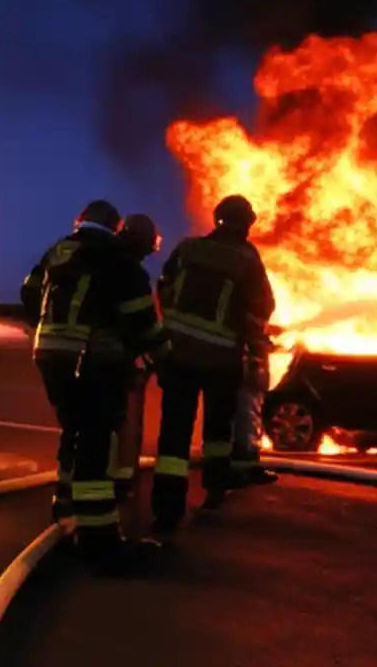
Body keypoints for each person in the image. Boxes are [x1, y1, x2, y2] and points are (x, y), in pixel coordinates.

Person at [20, 200, 171, 571]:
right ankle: (100, 539)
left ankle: (66, 506)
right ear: (116, 227)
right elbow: (142, 322)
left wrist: (49, 329)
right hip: (91, 359)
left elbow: (29, 292)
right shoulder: (117, 258)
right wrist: (165, 357)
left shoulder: (59, 249)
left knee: (74, 427)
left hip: (48, 353)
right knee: (95, 441)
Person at [151, 194, 275, 535]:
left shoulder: (188, 248)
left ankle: (166, 510)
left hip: (179, 355)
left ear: (217, 218)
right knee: (218, 431)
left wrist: (174, 329)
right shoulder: (247, 260)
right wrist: (254, 347)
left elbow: (164, 288)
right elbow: (261, 308)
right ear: (247, 225)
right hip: (221, 358)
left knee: (174, 434)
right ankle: (215, 489)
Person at [111, 213, 163, 502]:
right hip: (117, 360)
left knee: (87, 425)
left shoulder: (98, 260)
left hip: (85, 357)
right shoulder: (131, 272)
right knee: (122, 421)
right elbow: (144, 323)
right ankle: (119, 483)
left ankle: (75, 490)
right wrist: (164, 357)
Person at [228, 329, 279, 488]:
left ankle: (243, 465)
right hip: (249, 364)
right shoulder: (249, 308)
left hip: (249, 363)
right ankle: (245, 468)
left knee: (249, 414)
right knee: (247, 415)